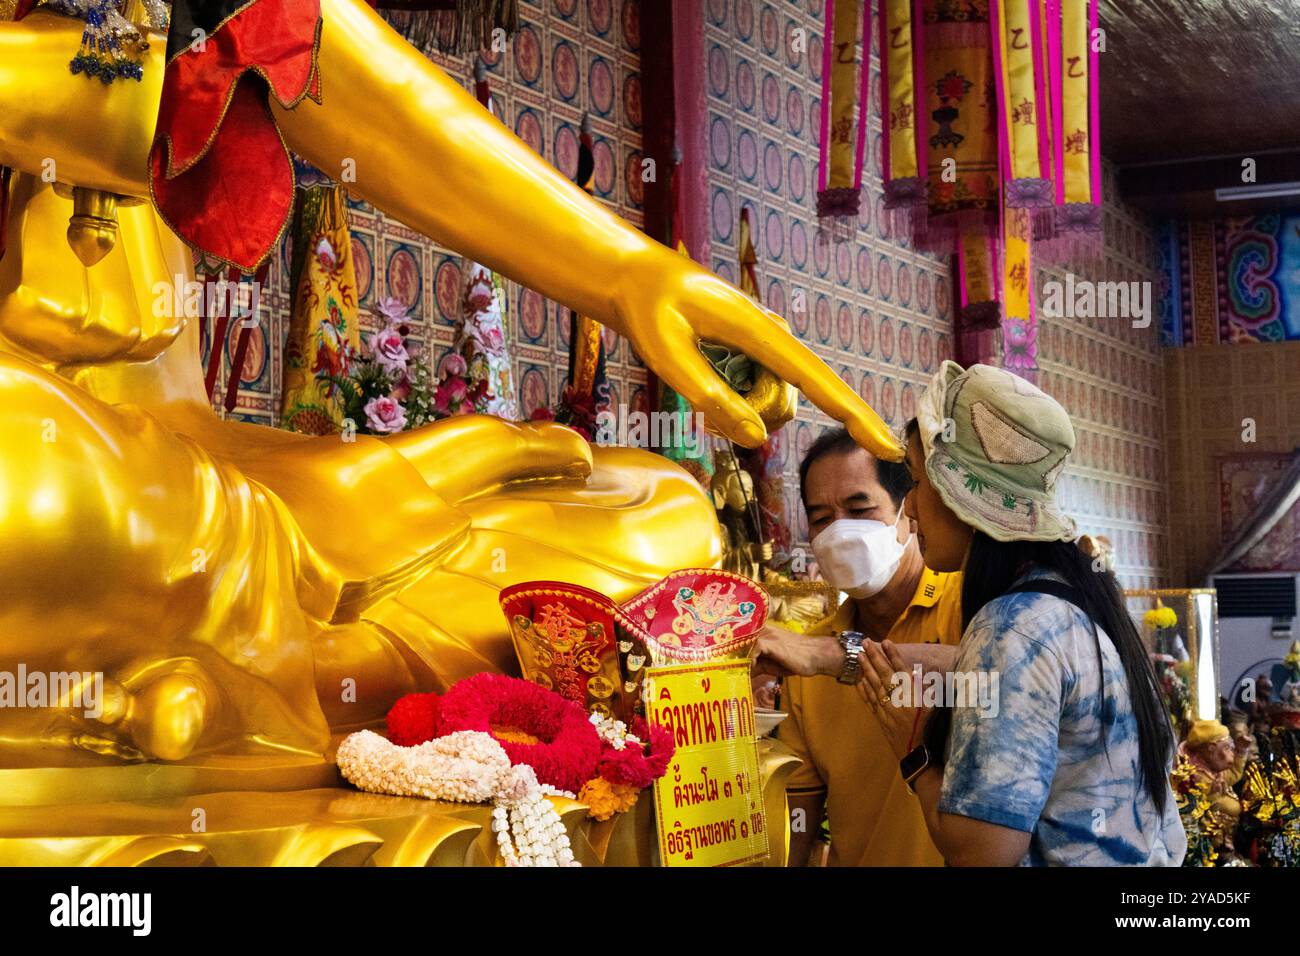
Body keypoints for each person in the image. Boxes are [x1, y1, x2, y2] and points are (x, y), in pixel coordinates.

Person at [825, 361, 1184, 865]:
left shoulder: (1011, 625)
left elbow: (981, 853)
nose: (908, 509)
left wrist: (914, 750)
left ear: (959, 492)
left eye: (915, 481)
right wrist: (825, 656)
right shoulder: (1071, 599)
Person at [757, 428, 963, 866]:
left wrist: (836, 657)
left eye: (859, 509)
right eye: (821, 518)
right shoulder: (808, 656)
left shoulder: (967, 603)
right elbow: (799, 814)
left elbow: (999, 674)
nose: (840, 532)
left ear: (910, 510)